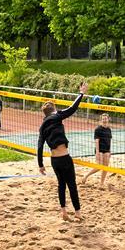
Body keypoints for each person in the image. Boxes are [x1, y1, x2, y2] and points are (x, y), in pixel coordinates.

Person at [36, 82, 89, 222]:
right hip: (64, 158)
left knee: (61, 185)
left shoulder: (42, 127)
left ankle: (63, 212)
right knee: (72, 185)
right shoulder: (57, 115)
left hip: (54, 161)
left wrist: (40, 164)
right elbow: (73, 108)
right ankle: (77, 213)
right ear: (53, 110)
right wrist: (81, 93)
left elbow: (40, 146)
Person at [82, 113, 116, 188]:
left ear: (108, 119)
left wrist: (110, 151)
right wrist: (97, 152)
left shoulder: (109, 129)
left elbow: (109, 140)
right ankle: (86, 176)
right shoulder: (98, 129)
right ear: (101, 120)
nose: (104, 120)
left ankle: (101, 183)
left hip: (106, 150)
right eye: (103, 119)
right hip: (100, 149)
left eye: (105, 118)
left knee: (106, 167)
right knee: (99, 166)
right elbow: (96, 141)